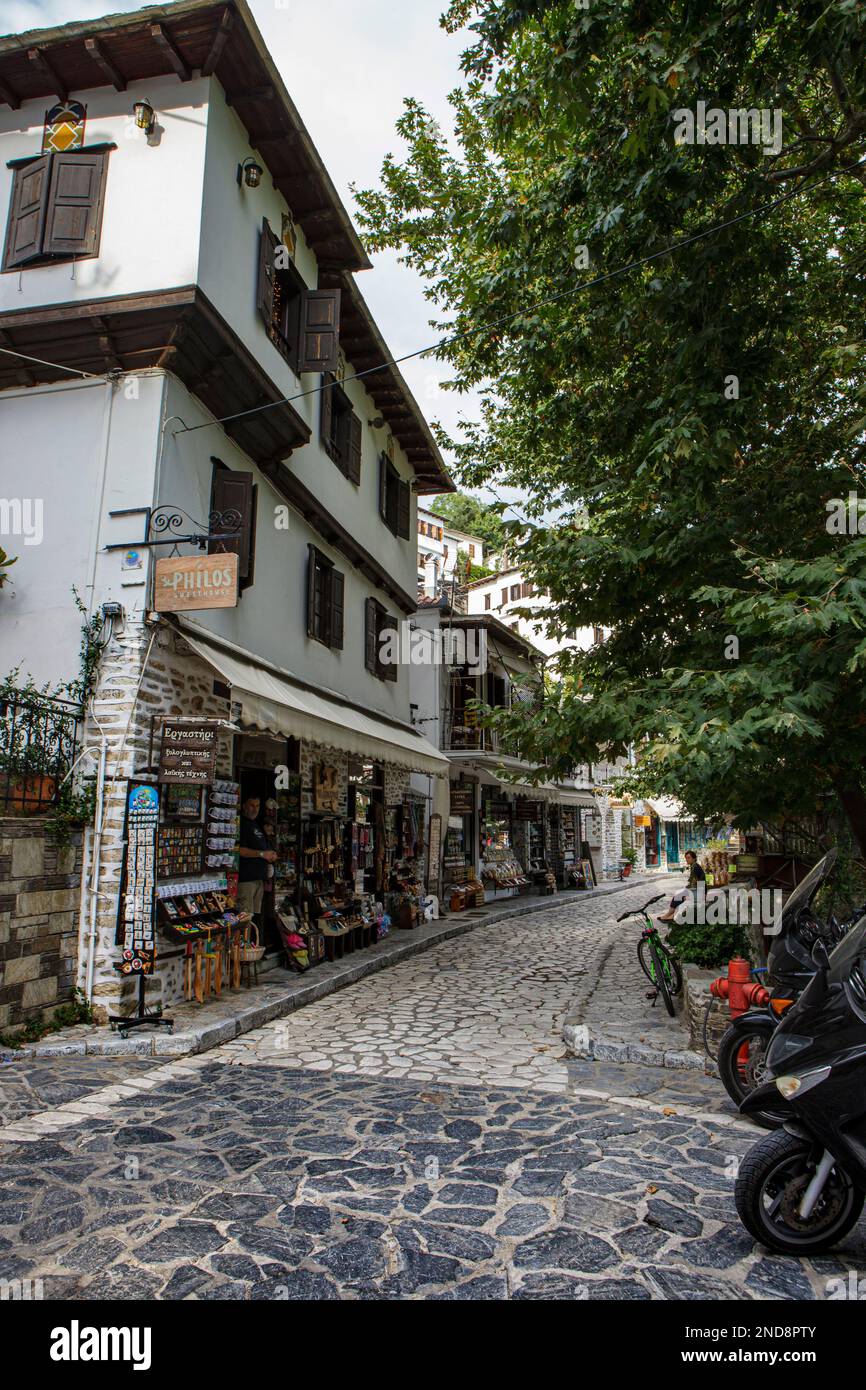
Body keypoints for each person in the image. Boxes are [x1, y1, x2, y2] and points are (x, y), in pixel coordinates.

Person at [237, 794, 277, 919]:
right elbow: (238, 850)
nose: (255, 809)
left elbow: (261, 850)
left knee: (254, 919)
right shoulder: (241, 824)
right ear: (244, 806)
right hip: (246, 881)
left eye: (257, 806)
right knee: (244, 918)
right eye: (252, 805)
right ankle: (245, 939)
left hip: (258, 880)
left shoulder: (255, 824)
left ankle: (253, 940)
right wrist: (261, 854)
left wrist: (270, 855)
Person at [657, 849, 706, 922]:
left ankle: (672, 916)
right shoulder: (693, 866)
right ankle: (668, 915)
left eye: (689, 858)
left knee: (684, 898)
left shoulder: (696, 868)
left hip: (699, 892)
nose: (687, 859)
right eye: (686, 858)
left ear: (694, 858)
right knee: (677, 897)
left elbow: (702, 883)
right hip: (694, 890)